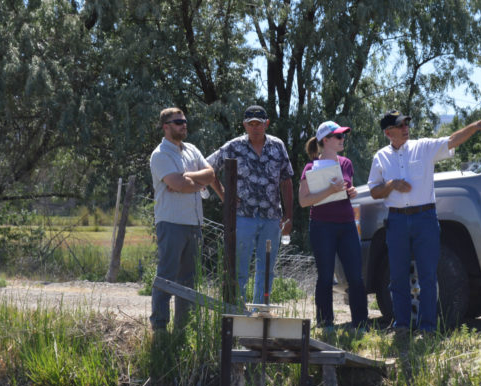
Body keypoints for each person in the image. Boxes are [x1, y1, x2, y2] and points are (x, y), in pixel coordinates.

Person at [367, 110, 481, 332]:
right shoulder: (380, 157)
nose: (406, 127)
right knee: (397, 276)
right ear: (388, 132)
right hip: (396, 220)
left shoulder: (423, 147)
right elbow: (375, 191)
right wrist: (393, 184)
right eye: (400, 125)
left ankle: (427, 327)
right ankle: (402, 325)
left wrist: (473, 126)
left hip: (424, 218)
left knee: (427, 274)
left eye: (406, 123)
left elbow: (452, 140)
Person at [207, 105, 294, 304]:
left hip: (272, 217)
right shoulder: (234, 146)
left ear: (267, 124)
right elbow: (208, 168)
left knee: (266, 269)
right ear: (244, 125)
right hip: (242, 217)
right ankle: (238, 312)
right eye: (251, 124)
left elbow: (287, 180)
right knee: (239, 268)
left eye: (259, 124)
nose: (255, 128)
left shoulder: (277, 146)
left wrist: (288, 216)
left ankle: (260, 312)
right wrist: (224, 195)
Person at [148, 107, 215, 331]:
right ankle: (159, 326)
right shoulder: (160, 154)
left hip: (194, 223)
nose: (183, 125)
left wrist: (188, 178)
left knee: (189, 279)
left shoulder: (192, 149)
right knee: (167, 276)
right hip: (171, 222)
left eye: (184, 121)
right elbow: (175, 184)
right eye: (178, 122)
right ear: (166, 127)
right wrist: (193, 183)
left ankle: (183, 328)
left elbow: (210, 174)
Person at [298, 121, 369, 329]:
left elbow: (347, 189)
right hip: (321, 226)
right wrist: (329, 190)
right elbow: (304, 201)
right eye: (338, 137)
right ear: (325, 140)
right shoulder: (310, 167)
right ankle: (325, 323)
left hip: (347, 224)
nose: (342, 139)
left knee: (356, 275)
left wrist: (351, 192)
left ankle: (360, 322)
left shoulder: (346, 163)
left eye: (343, 136)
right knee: (326, 276)